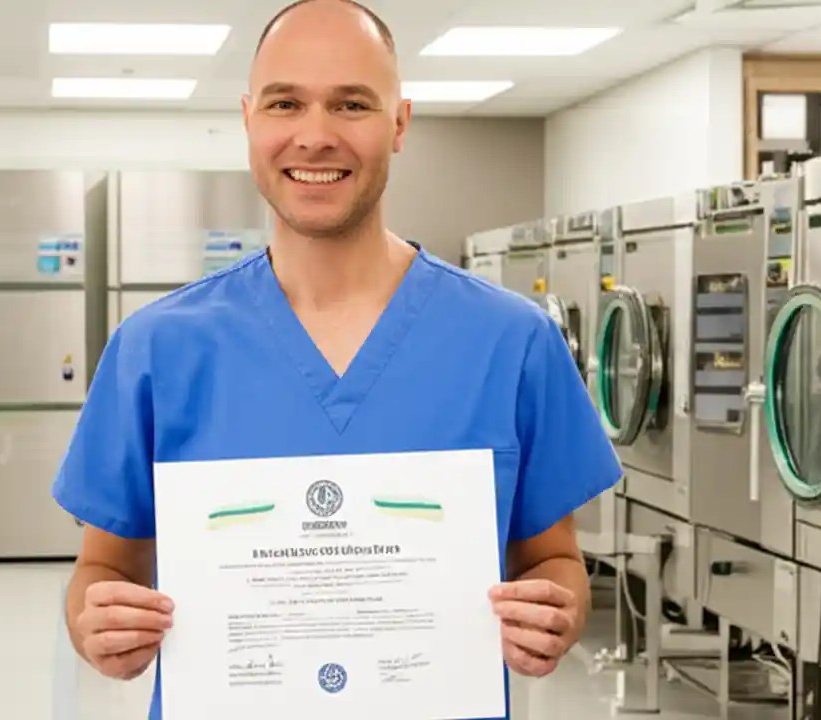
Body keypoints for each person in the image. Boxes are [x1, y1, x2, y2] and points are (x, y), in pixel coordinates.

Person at [52, 0, 622, 716]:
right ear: (249, 120)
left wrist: (558, 612)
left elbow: (554, 561)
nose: (314, 137)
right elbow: (102, 570)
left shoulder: (510, 342)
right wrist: (96, 627)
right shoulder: (156, 348)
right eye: (285, 102)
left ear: (399, 123)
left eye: (351, 104)